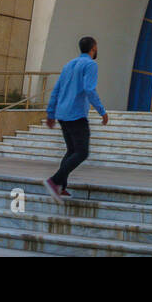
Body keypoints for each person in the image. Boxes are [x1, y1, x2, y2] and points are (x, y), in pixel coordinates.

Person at [43, 35, 108, 202]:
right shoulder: (91, 65)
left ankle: (61, 186)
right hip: (76, 114)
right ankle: (55, 181)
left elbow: (56, 89)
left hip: (63, 114)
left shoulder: (68, 65)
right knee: (82, 152)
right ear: (93, 48)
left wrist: (51, 113)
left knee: (72, 151)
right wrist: (102, 111)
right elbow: (89, 89)